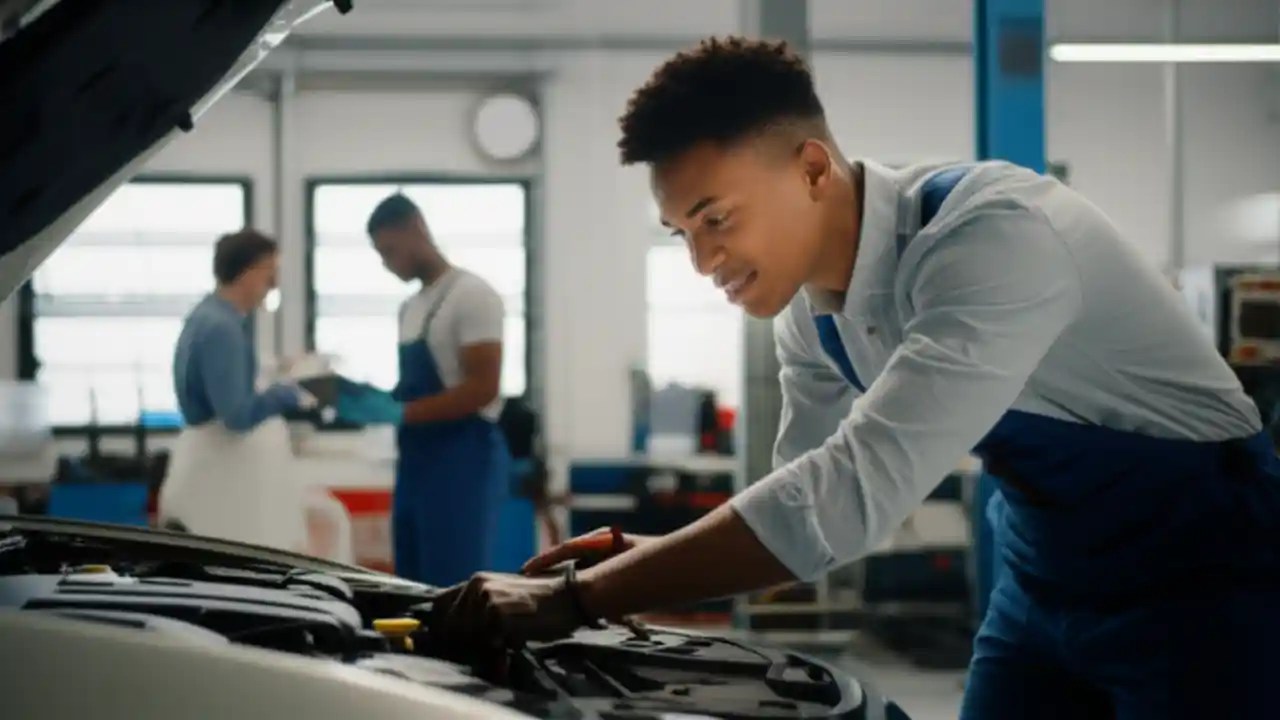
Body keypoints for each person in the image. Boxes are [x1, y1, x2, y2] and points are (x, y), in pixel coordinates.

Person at [430, 37, 1280, 718]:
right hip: (1043, 578)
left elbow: (845, 496)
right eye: (681, 233)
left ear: (811, 168)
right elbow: (800, 505)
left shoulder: (993, 237)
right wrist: (651, 560)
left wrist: (579, 597)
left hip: (1203, 578)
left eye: (717, 219)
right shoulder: (810, 315)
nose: (702, 261)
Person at [335, 193, 510, 588]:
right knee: (411, 584)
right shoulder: (410, 307)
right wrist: (369, 399)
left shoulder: (472, 295)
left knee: (453, 585)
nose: (387, 264)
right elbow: (413, 390)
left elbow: (483, 387)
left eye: (390, 251)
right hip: (415, 462)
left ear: (417, 227)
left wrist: (402, 413)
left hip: (462, 461)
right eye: (380, 255)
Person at [160, 229, 311, 551]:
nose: (274, 284)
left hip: (207, 468)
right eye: (270, 272)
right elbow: (236, 416)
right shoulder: (222, 329)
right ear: (250, 272)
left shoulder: (206, 315)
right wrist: (287, 394)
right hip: (221, 474)